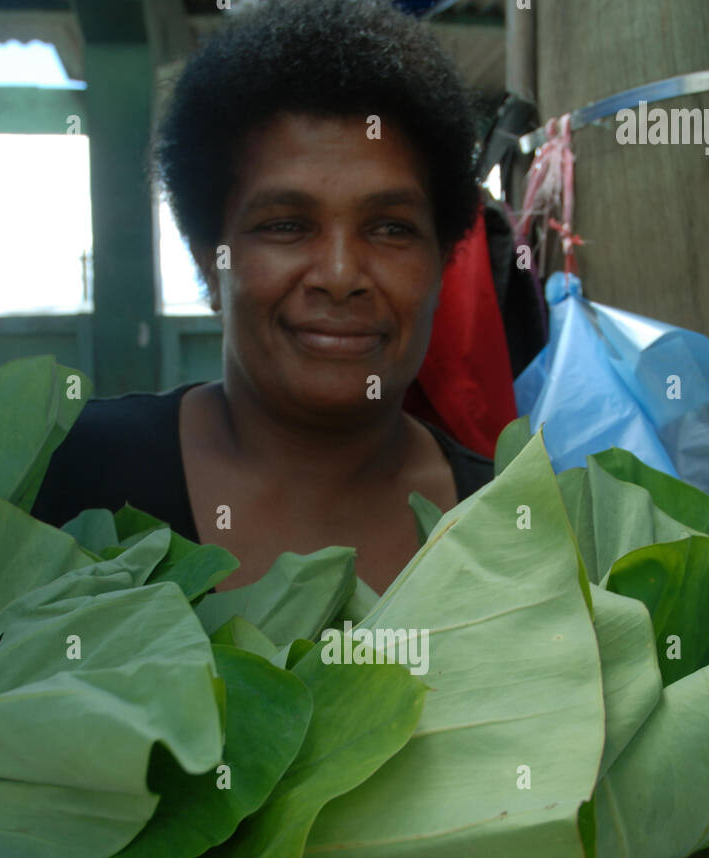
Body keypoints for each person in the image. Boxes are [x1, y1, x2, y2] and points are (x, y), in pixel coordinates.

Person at [32, 0, 495, 594]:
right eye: (285, 225)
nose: (339, 273)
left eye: (390, 228)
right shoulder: (70, 478)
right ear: (209, 259)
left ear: (441, 261)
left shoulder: (509, 517)